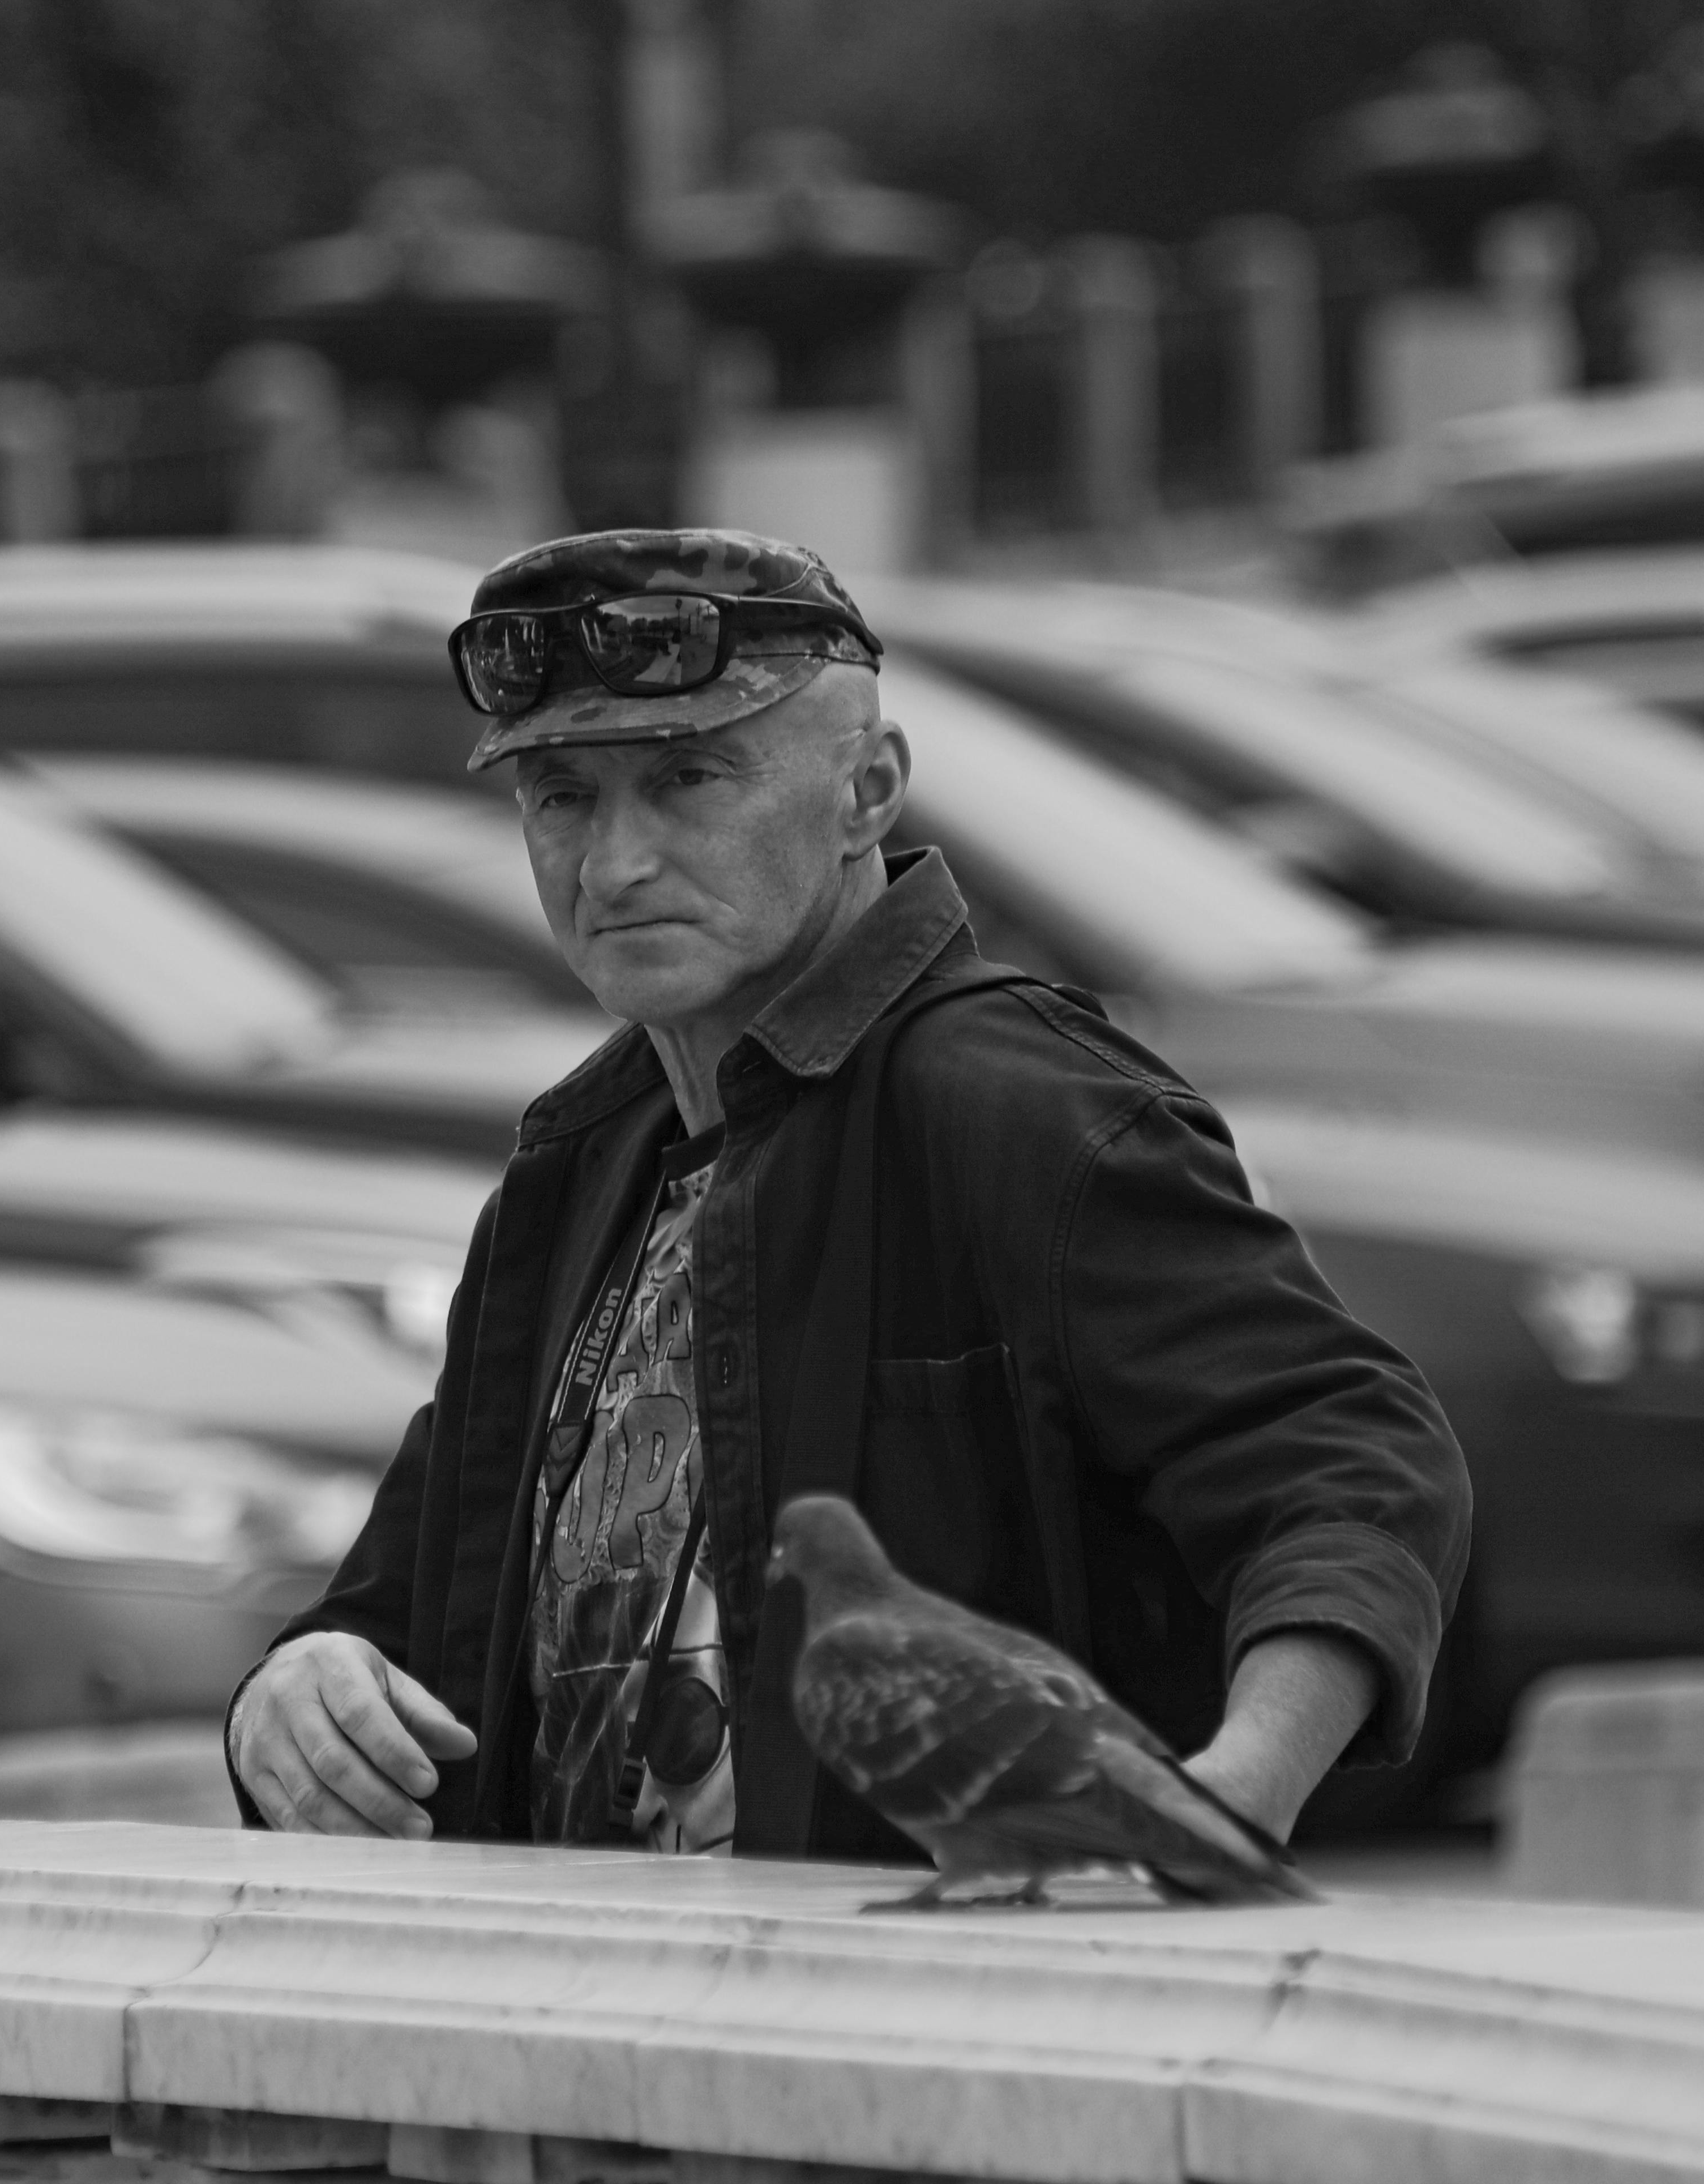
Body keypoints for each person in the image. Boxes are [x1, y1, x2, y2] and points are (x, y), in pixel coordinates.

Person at [226, 529, 1471, 1860]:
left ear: (868, 791)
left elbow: (1353, 1466)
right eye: (562, 796)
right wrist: (292, 1696)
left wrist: (1237, 1793)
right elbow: (400, 1607)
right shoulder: (573, 1165)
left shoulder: (1031, 1111)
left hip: (943, 1973)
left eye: (689, 779)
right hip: (585, 1975)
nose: (614, 863)